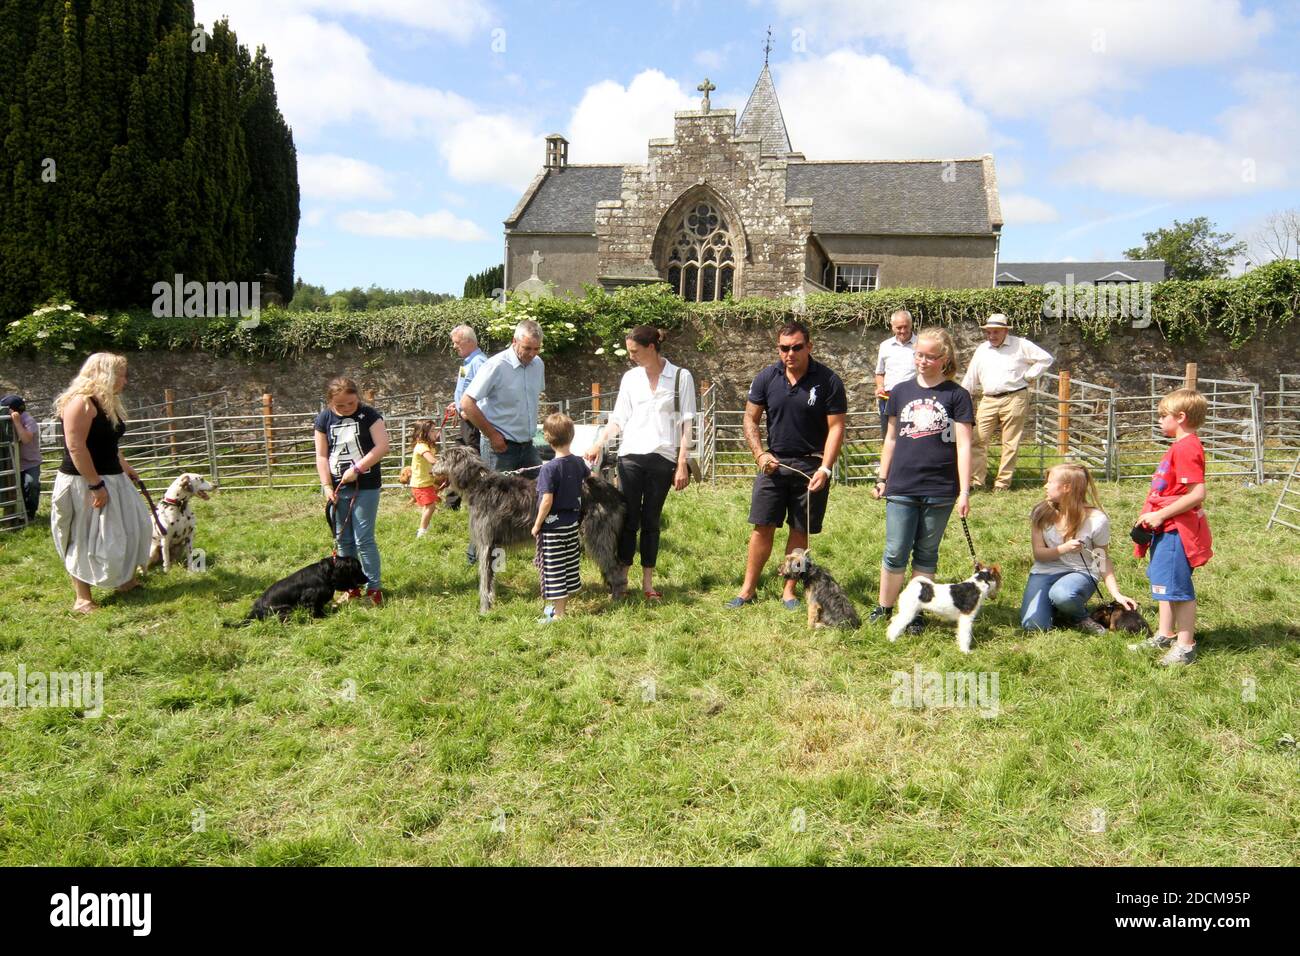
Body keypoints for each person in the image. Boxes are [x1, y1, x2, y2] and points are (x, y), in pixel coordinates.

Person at [728, 320, 846, 610]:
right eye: (783, 348)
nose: (789, 354)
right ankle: (747, 590)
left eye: (796, 348)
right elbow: (750, 419)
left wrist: (826, 468)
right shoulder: (767, 377)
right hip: (774, 463)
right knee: (762, 526)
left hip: (811, 467)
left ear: (809, 346)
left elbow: (837, 428)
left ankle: (789, 591)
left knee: (799, 529)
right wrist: (760, 455)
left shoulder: (829, 381)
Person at [868, 328, 973, 629]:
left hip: (940, 487)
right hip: (902, 483)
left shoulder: (957, 395)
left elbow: (965, 445)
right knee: (895, 550)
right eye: (919, 355)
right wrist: (882, 477)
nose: (922, 361)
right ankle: (885, 607)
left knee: (926, 553)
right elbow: (890, 438)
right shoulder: (900, 391)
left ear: (945, 359)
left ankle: (916, 611)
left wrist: (964, 491)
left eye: (930, 356)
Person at [585, 325, 696, 600]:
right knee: (628, 518)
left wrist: (682, 463)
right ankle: (620, 581)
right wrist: (599, 442)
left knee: (651, 520)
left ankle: (648, 583)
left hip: (663, 457)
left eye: (634, 351)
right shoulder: (630, 378)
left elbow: (687, 425)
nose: (631, 355)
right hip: (631, 456)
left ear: (651, 348)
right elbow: (619, 418)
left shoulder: (681, 376)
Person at [48, 353, 152, 613]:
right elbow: (76, 447)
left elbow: (110, 444)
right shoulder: (80, 404)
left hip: (112, 477)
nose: (125, 380)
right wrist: (95, 484)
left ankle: (124, 580)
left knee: (131, 526)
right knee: (82, 535)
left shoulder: (107, 404)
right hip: (82, 480)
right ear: (104, 375)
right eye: (121, 375)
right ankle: (82, 598)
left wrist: (126, 468)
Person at [1130, 388, 1212, 665]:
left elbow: (1196, 494)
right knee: (1163, 581)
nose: (1159, 421)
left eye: (1163, 416)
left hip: (1177, 529)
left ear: (1180, 417)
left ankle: (1185, 646)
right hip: (1166, 526)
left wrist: (1161, 514)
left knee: (1178, 587)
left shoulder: (1187, 447)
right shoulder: (1179, 446)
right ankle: (1166, 634)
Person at [1020, 462, 1138, 633]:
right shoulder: (1041, 512)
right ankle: (1059, 608)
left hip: (1081, 571)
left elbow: (1101, 558)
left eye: (1050, 482)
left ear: (1066, 487)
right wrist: (1064, 548)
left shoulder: (1097, 519)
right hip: (1044, 571)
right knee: (1034, 626)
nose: (1045, 485)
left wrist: (1116, 593)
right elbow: (1039, 554)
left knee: (1062, 594)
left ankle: (1080, 618)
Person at [314, 376, 390, 606]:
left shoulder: (369, 416)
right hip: (337, 488)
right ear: (329, 403)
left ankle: (374, 590)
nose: (347, 408)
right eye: (340, 406)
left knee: (363, 539)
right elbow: (321, 455)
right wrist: (327, 485)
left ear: (358, 397)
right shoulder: (324, 419)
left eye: (351, 403)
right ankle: (351, 588)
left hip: (365, 486)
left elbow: (382, 446)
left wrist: (358, 468)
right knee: (343, 540)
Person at [959, 313, 1053, 491]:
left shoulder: (1021, 345)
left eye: (996, 332)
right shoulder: (982, 349)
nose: (992, 336)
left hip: (1015, 397)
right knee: (978, 439)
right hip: (988, 399)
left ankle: (1002, 484)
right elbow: (971, 376)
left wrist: (1029, 375)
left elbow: (1046, 358)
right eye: (989, 332)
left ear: (1005, 331)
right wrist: (961, 397)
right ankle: (977, 482)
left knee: (1010, 442)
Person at [460, 319, 545, 474]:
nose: (532, 353)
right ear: (514, 341)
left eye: (536, 348)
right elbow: (466, 403)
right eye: (527, 348)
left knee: (539, 494)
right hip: (499, 448)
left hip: (528, 446)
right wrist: (492, 435)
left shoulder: (538, 364)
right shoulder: (495, 365)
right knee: (497, 497)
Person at [531, 412, 589, 621]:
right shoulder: (578, 462)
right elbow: (591, 477)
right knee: (568, 564)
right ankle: (560, 608)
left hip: (552, 528)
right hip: (571, 524)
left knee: (553, 569)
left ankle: (560, 615)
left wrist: (537, 525)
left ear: (546, 437)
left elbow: (546, 500)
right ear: (572, 435)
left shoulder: (549, 469)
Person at [873, 310, 916, 438]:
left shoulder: (920, 344)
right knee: (888, 437)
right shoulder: (885, 346)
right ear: (892, 327)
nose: (902, 331)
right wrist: (880, 387)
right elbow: (880, 373)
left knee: (912, 436)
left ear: (911, 325)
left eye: (906, 327)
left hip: (914, 398)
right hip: (888, 399)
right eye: (899, 327)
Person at [446, 324, 487, 452]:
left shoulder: (479, 362)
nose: (454, 346)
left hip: (472, 421)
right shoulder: (468, 362)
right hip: (466, 419)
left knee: (472, 460)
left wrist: (469, 412)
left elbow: (486, 392)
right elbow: (466, 387)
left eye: (456, 342)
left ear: (468, 341)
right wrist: (457, 403)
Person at [2, 394, 41, 521]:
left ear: (13, 410)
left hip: (30, 463)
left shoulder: (28, 420)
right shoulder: (5, 420)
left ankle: (30, 514)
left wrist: (18, 423)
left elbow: (25, 439)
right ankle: (16, 514)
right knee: (14, 489)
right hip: (13, 462)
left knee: (31, 484)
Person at [407, 418, 441, 539]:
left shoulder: (428, 445)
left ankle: (425, 525)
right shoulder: (421, 446)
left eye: (435, 430)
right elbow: (432, 460)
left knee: (429, 506)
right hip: (420, 484)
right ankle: (422, 532)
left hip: (426, 482)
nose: (435, 432)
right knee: (430, 506)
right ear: (423, 433)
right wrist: (444, 466)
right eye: (432, 431)